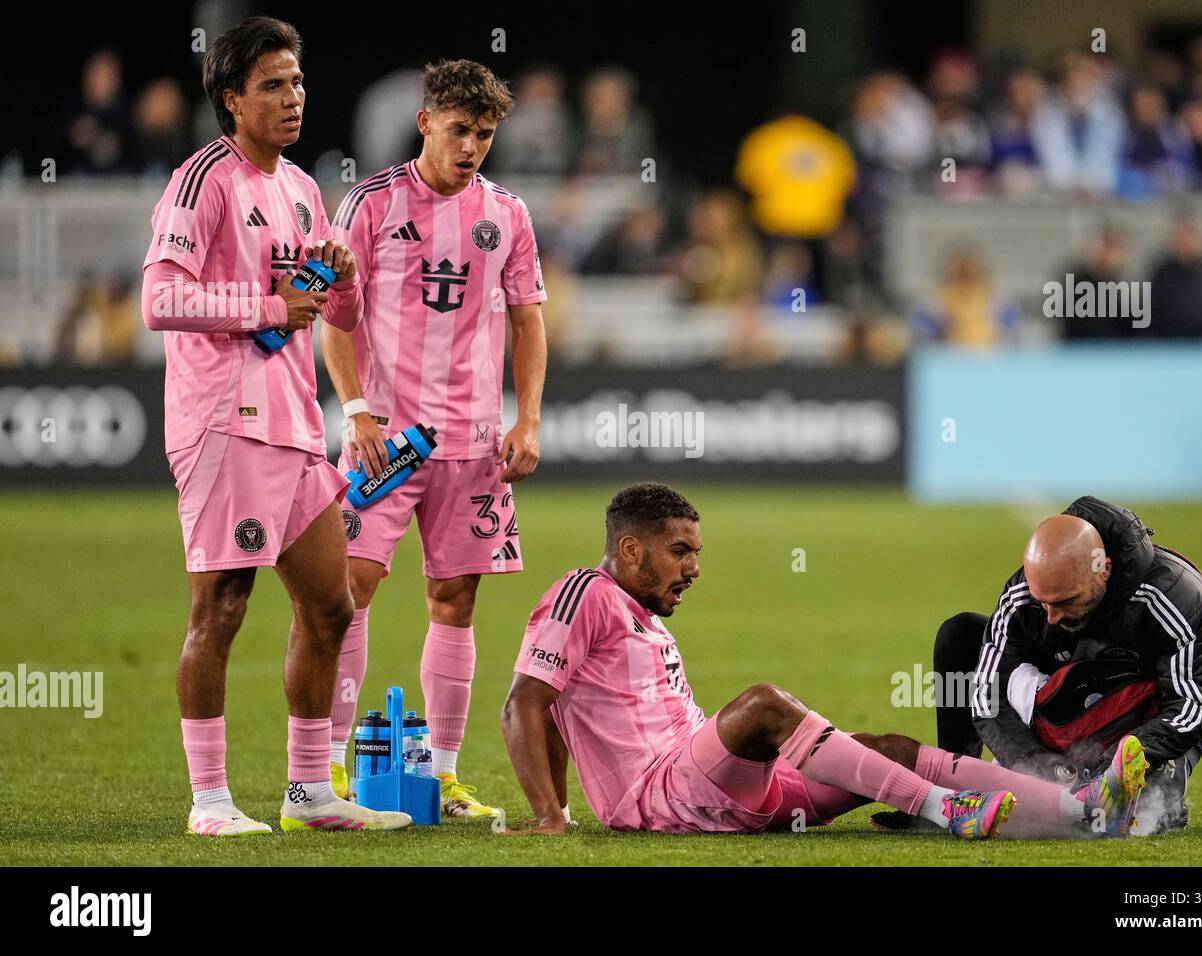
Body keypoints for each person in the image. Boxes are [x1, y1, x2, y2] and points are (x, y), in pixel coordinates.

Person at [499, 483, 1148, 839]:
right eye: (679, 552)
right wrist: (552, 815)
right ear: (631, 549)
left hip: (720, 789)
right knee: (763, 706)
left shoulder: (641, 619)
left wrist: (561, 801)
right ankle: (945, 811)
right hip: (665, 797)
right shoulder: (586, 593)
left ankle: (1084, 809)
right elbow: (527, 701)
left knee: (889, 749)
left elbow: (557, 710)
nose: (694, 569)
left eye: (696, 552)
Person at [140, 16, 411, 835]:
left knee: (332, 608)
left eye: (296, 82)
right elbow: (159, 299)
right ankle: (211, 801)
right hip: (224, 422)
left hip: (294, 423)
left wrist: (349, 284)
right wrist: (266, 305)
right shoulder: (201, 181)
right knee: (221, 609)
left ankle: (307, 794)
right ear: (232, 100)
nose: (293, 98)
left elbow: (327, 308)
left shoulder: (299, 188)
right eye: (272, 86)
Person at [322, 59, 548, 819]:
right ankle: (328, 773)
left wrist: (528, 418)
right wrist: (356, 411)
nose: (472, 146)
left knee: (454, 599)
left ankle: (445, 779)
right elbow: (336, 319)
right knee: (346, 593)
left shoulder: (507, 214)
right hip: (386, 443)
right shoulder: (371, 204)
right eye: (459, 130)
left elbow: (528, 321)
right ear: (426, 123)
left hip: (472, 444)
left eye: (484, 134)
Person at [927, 496, 1202, 834]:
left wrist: (1125, 760)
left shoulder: (1173, 594)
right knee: (961, 635)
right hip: (1075, 682)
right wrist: (1041, 767)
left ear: (1104, 571)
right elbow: (986, 696)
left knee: (1141, 815)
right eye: (1043, 604)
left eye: (1065, 602)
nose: (1051, 618)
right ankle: (953, 791)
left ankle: (1162, 787)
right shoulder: (1026, 592)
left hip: (1146, 707)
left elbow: (1195, 704)